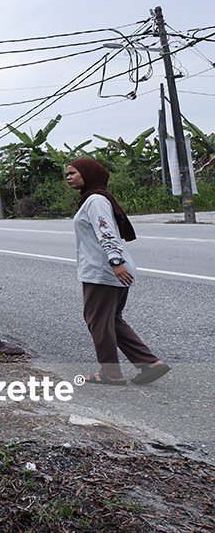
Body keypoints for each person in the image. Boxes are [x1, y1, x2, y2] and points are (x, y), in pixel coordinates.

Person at [65, 158, 170, 385]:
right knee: (111, 320)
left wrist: (115, 262)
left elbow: (106, 232)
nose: (68, 177)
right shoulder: (95, 199)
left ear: (88, 174)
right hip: (109, 269)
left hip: (103, 271)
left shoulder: (95, 201)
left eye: (73, 172)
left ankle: (111, 373)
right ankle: (149, 363)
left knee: (98, 321)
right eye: (67, 174)